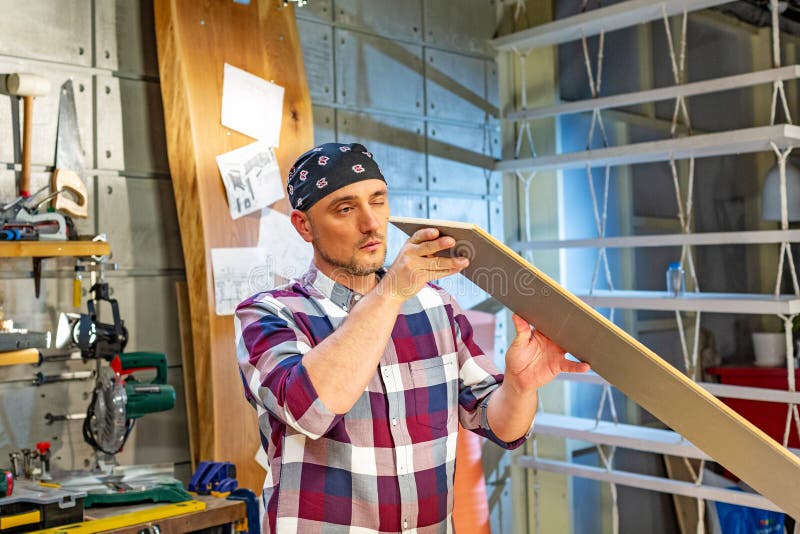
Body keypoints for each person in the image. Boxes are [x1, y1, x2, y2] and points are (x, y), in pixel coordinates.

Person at [235, 142, 590, 533]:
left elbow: (501, 426)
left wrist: (521, 387)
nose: (371, 223)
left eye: (378, 200)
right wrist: (390, 293)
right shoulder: (269, 315)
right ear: (304, 225)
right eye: (345, 209)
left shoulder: (435, 305)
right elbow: (310, 412)